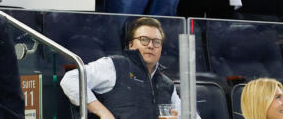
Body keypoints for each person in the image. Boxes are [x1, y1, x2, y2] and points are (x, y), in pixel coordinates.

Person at [60, 17, 193, 119]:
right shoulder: (114, 66)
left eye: (156, 42)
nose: (151, 46)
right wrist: (103, 113)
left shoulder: (166, 84)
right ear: (131, 45)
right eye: (144, 40)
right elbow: (70, 80)